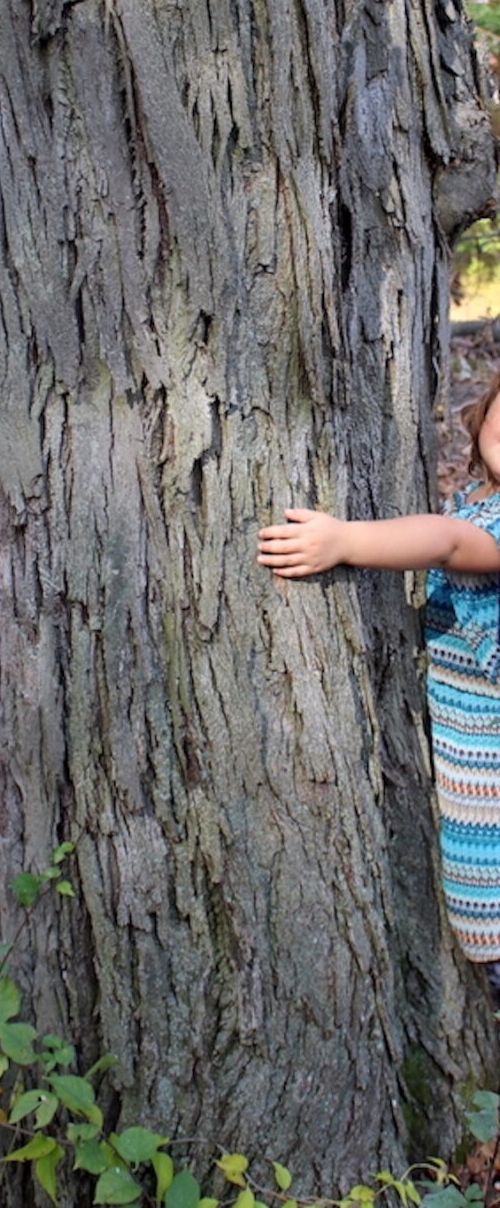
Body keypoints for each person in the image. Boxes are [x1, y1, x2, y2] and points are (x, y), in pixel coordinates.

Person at [258, 371, 500, 997]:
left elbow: (448, 542)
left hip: (487, 763)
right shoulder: (482, 493)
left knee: (486, 893)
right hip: (466, 741)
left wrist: (345, 539)